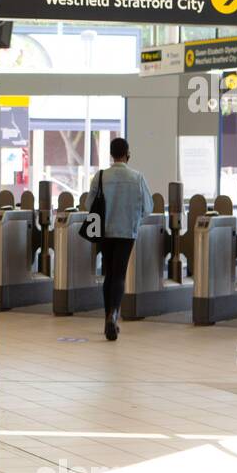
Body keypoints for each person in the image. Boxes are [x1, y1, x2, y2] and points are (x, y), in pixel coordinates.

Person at [87, 137, 153, 342]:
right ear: (127, 154)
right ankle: (113, 315)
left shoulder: (100, 177)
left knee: (109, 274)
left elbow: (89, 204)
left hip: (104, 232)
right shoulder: (137, 177)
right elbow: (148, 208)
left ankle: (108, 317)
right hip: (126, 232)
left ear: (111, 154)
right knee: (120, 275)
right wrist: (134, 219)